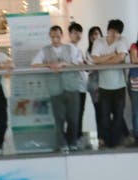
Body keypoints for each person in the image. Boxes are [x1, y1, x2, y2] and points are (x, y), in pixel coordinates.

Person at [31, 25, 83, 153]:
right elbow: (34, 64)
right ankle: (62, 143)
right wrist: (48, 65)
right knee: (59, 118)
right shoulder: (45, 50)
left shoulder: (70, 48)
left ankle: (73, 142)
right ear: (50, 36)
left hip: (72, 86)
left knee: (73, 117)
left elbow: (79, 63)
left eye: (58, 36)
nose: (55, 39)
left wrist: (64, 64)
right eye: (53, 36)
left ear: (62, 36)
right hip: (55, 88)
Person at [86, 18, 129, 150]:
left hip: (120, 86)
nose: (115, 35)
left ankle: (115, 142)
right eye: (113, 31)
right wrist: (112, 55)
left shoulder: (122, 40)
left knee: (118, 116)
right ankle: (106, 142)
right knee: (104, 117)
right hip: (104, 86)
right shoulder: (99, 42)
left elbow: (121, 57)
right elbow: (94, 59)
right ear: (108, 30)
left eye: (117, 32)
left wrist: (102, 61)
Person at [67, 23, 88, 146]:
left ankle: (77, 136)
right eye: (75, 32)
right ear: (70, 34)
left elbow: (83, 66)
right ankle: (73, 138)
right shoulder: (67, 48)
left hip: (81, 86)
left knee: (80, 112)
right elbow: (69, 64)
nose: (78, 35)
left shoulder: (79, 50)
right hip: (73, 87)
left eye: (80, 32)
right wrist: (80, 64)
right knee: (74, 113)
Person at [129, 33, 138, 145]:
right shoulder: (134, 46)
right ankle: (136, 135)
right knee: (136, 111)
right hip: (135, 83)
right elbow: (134, 60)